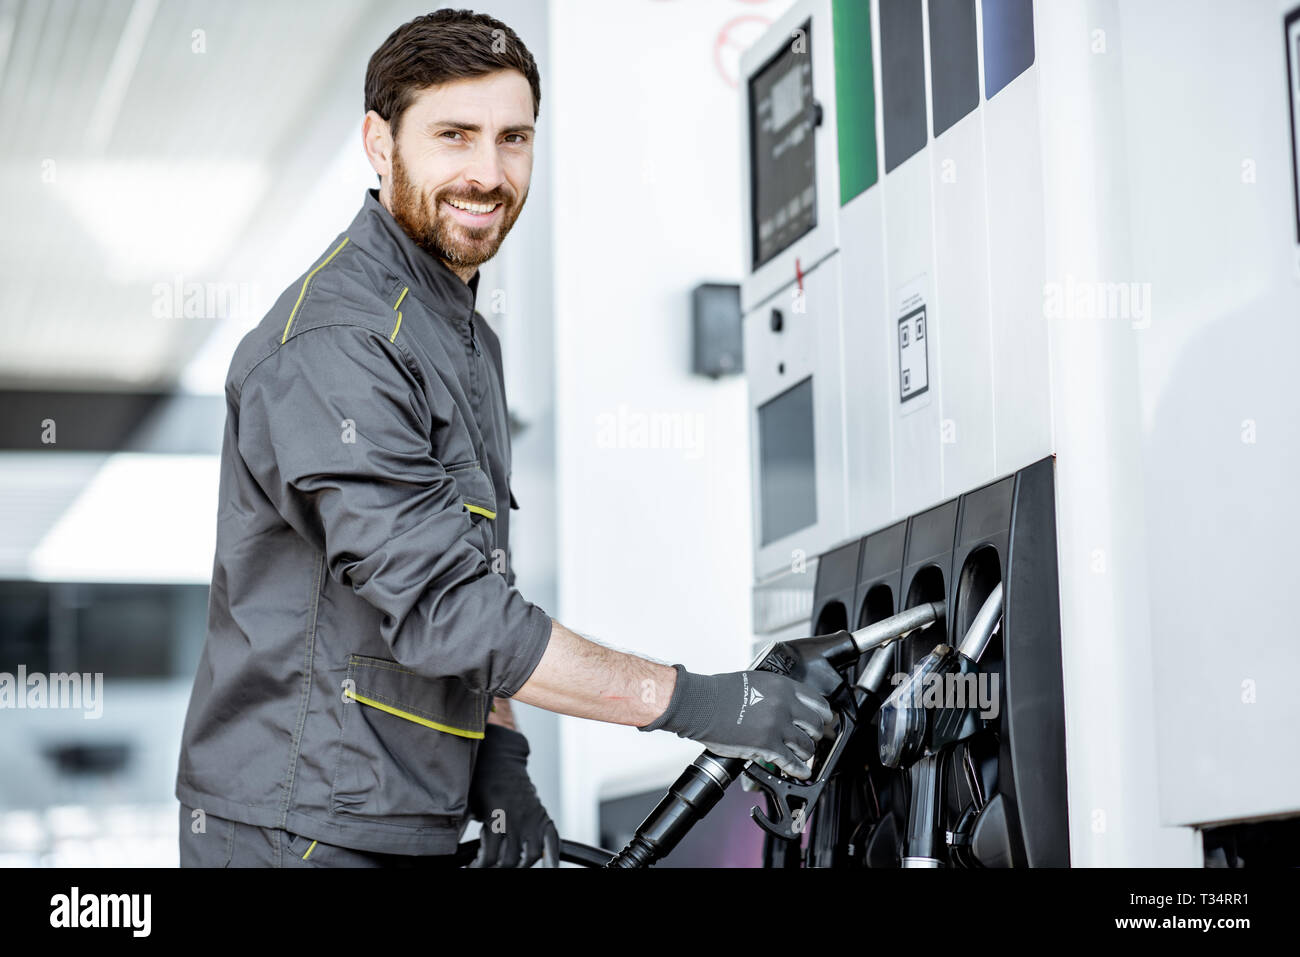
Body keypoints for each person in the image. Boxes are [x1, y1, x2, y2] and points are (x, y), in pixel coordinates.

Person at [175, 8, 832, 869]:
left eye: (512, 138)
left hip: (409, 817)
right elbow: (447, 608)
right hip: (295, 832)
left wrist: (501, 757)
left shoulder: (467, 341)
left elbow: (475, 575)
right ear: (380, 144)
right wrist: (703, 702)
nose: (488, 172)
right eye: (454, 135)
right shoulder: (336, 343)